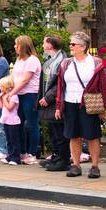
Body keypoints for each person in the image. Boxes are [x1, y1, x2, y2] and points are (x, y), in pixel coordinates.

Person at [55, 31, 106, 179]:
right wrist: (59, 106)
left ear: (83, 46)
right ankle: (76, 165)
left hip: (88, 104)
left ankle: (95, 166)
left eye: (73, 44)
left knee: (92, 136)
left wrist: (103, 107)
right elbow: (61, 86)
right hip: (70, 102)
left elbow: (102, 86)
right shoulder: (66, 63)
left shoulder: (95, 63)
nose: (70, 46)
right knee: (73, 136)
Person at [38, 35, 70, 171]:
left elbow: (59, 83)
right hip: (49, 100)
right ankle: (56, 156)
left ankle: (63, 160)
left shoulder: (62, 61)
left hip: (57, 100)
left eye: (44, 42)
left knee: (59, 131)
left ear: (50, 45)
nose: (42, 45)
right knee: (53, 130)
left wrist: (48, 97)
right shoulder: (50, 60)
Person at [12, 35, 42, 165]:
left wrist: (12, 92)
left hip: (30, 94)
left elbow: (25, 79)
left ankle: (33, 153)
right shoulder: (19, 60)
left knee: (31, 124)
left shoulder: (32, 60)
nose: (14, 47)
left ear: (23, 46)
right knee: (19, 123)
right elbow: (14, 77)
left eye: (16, 44)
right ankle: (22, 152)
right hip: (19, 94)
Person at [0, 76, 23, 166]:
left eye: (1, 86)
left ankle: (16, 158)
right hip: (6, 120)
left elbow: (9, 108)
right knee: (8, 139)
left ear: (6, 87)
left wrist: (4, 99)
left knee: (14, 140)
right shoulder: (5, 96)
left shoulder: (14, 96)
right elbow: (1, 107)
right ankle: (10, 155)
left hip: (13, 121)